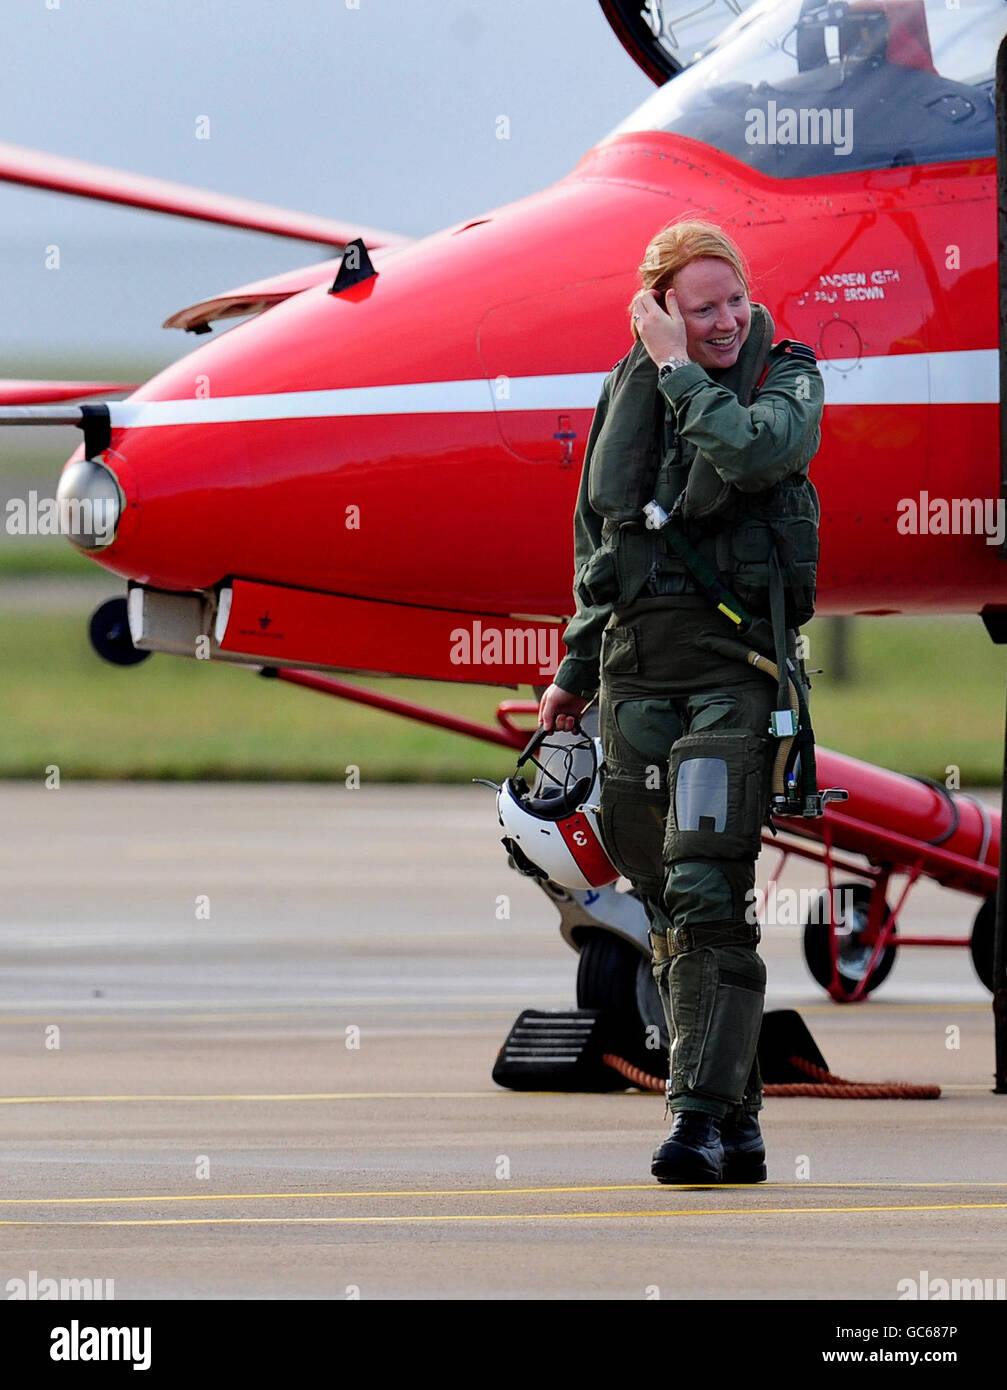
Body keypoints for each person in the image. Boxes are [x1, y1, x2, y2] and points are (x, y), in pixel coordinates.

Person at [538, 219, 825, 1184]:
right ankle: (736, 1124)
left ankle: (695, 1118)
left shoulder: (784, 377)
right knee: (661, 896)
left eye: (734, 301)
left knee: (706, 885)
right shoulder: (626, 394)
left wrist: (679, 371)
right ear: (659, 307)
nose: (726, 321)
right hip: (634, 679)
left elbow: (751, 455)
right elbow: (599, 546)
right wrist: (572, 677)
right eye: (702, 309)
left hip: (730, 678)